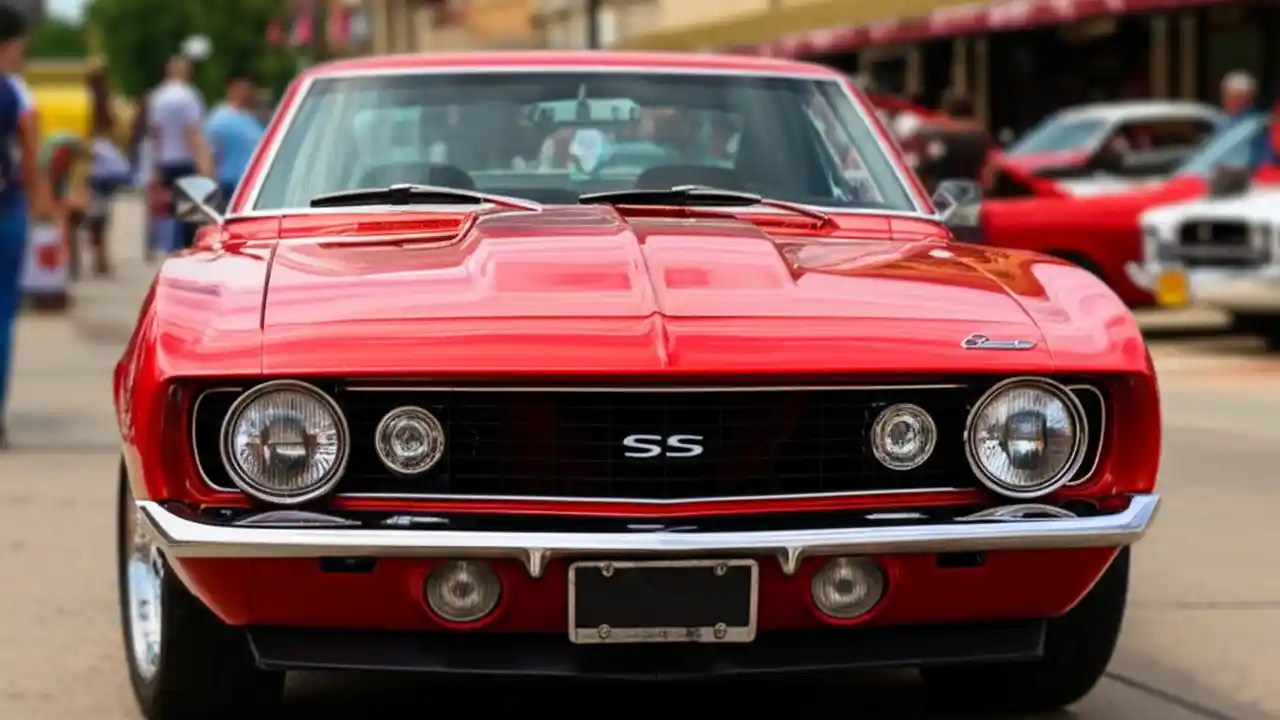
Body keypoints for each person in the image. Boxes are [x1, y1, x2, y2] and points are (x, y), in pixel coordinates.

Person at [0, 5, 56, 448]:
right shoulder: (13, 93)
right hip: (5, 211)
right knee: (1, 316)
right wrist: (45, 210)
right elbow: (31, 159)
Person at [144, 55, 213, 251]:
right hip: (186, 161)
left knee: (170, 211)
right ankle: (184, 249)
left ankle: (168, 247)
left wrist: (154, 165)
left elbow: (155, 133)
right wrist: (205, 165)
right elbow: (193, 132)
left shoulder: (157, 97)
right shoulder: (190, 96)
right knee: (190, 215)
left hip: (165, 161)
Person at [204, 72, 265, 203]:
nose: (247, 92)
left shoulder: (251, 119)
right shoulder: (219, 119)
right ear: (233, 88)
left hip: (252, 186)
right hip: (230, 187)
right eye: (243, 88)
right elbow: (208, 154)